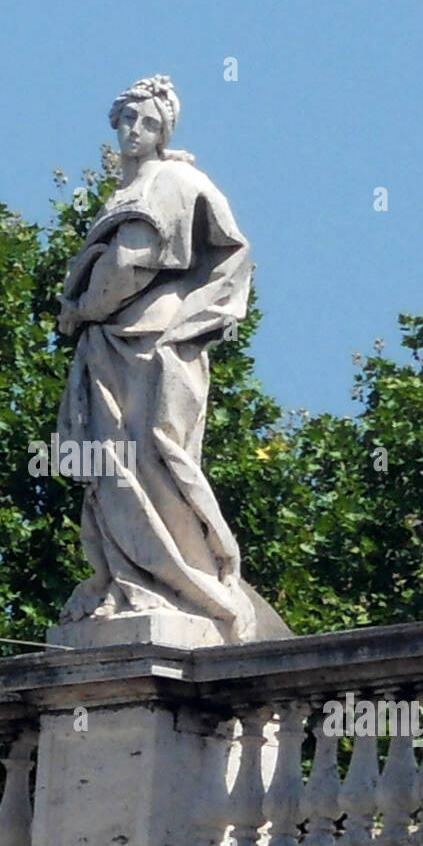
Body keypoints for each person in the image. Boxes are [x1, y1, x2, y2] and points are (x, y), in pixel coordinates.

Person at [56, 75, 286, 641]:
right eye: (128, 120)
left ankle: (189, 581)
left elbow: (130, 264)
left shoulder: (170, 182)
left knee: (154, 458)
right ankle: (130, 578)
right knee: (115, 466)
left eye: (149, 123)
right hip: (120, 347)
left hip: (148, 345)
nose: (135, 131)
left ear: (164, 133)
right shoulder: (129, 190)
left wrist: (81, 310)